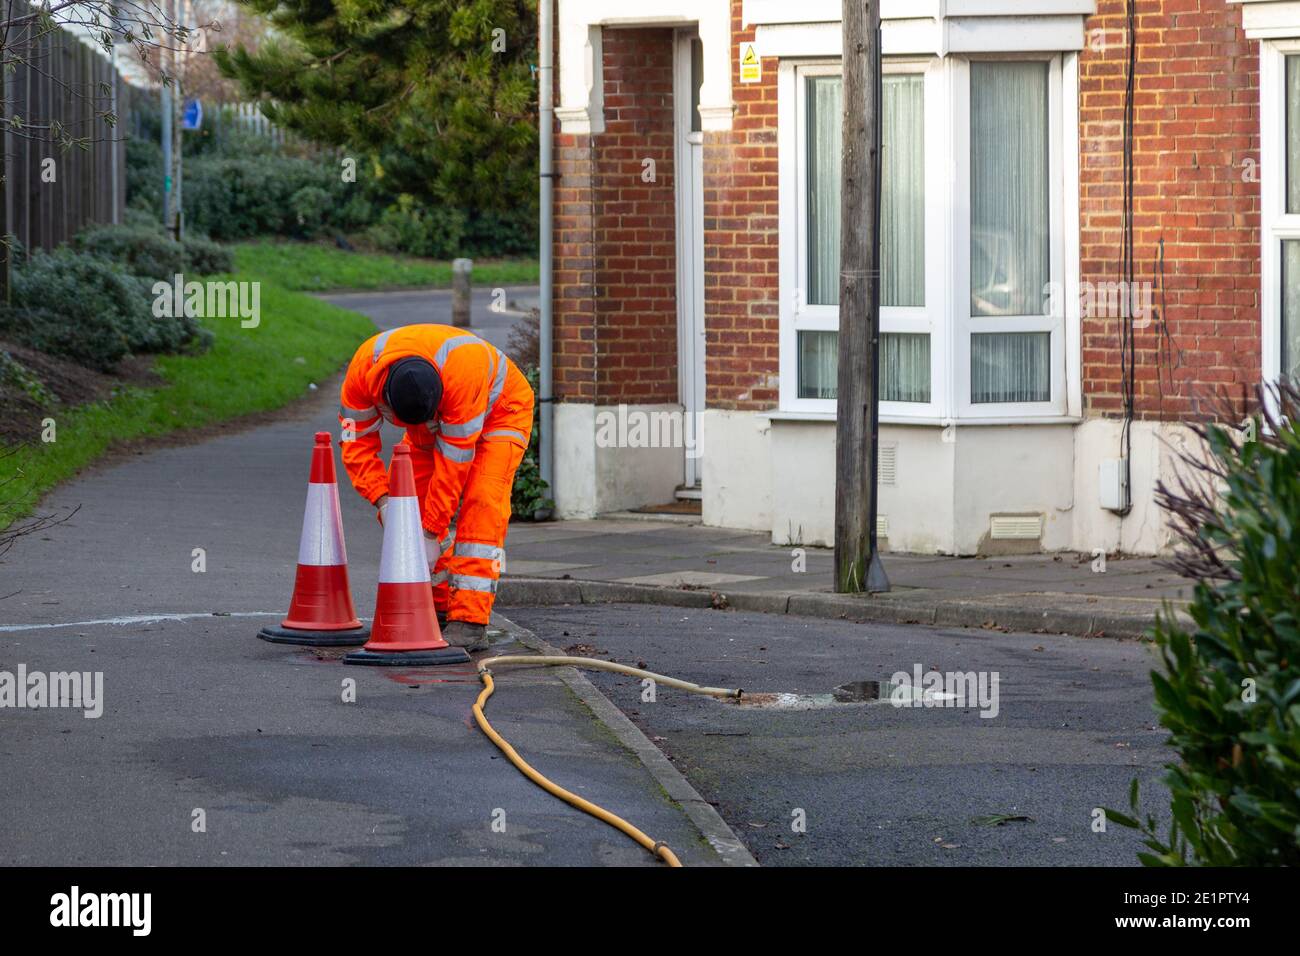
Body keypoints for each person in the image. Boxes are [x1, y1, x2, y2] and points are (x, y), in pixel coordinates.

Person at [338, 324, 534, 651]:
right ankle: (437, 609)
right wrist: (383, 500)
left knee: (482, 501)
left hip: (500, 414)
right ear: (383, 396)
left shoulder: (463, 372)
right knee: (410, 502)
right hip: (439, 423)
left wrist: (430, 532)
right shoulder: (362, 373)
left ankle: (470, 622)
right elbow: (355, 442)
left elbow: (453, 468)